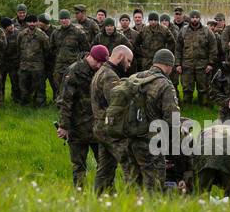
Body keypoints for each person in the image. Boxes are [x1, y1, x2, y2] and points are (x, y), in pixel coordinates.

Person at [125, 50, 183, 191]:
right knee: (154, 184)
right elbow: (172, 119)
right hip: (151, 142)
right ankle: (152, 211)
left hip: (129, 137)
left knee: (133, 182)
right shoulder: (165, 85)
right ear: (168, 65)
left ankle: (130, 209)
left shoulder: (134, 78)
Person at [57, 45, 103, 189]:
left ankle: (105, 192)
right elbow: (65, 100)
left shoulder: (99, 71)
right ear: (92, 57)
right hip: (77, 127)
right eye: (99, 62)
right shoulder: (74, 71)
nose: (101, 66)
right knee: (79, 165)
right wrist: (64, 126)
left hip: (96, 127)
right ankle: (80, 193)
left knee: (104, 163)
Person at [91, 45, 133, 193]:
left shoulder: (100, 71)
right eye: (128, 61)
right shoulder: (109, 75)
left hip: (100, 128)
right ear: (120, 56)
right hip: (111, 130)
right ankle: (135, 200)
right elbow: (117, 104)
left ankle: (101, 198)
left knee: (105, 168)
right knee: (130, 163)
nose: (128, 66)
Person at [178, 10, 217, 105]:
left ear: (199, 18)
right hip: (187, 65)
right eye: (193, 17)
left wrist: (211, 63)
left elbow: (213, 48)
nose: (195, 19)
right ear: (190, 18)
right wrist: (178, 64)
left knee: (203, 88)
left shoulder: (207, 31)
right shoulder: (183, 31)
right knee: (187, 88)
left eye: (197, 17)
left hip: (203, 65)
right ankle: (187, 105)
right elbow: (178, 49)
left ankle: (204, 106)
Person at [17, 14, 53, 107]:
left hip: (37, 66)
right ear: (27, 23)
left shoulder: (42, 35)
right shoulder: (21, 34)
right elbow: (18, 48)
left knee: (40, 87)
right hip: (24, 65)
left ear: (37, 22)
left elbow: (47, 50)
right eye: (30, 22)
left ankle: (40, 105)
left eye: (34, 22)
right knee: (23, 86)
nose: (32, 24)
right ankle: (24, 104)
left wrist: (40, 60)